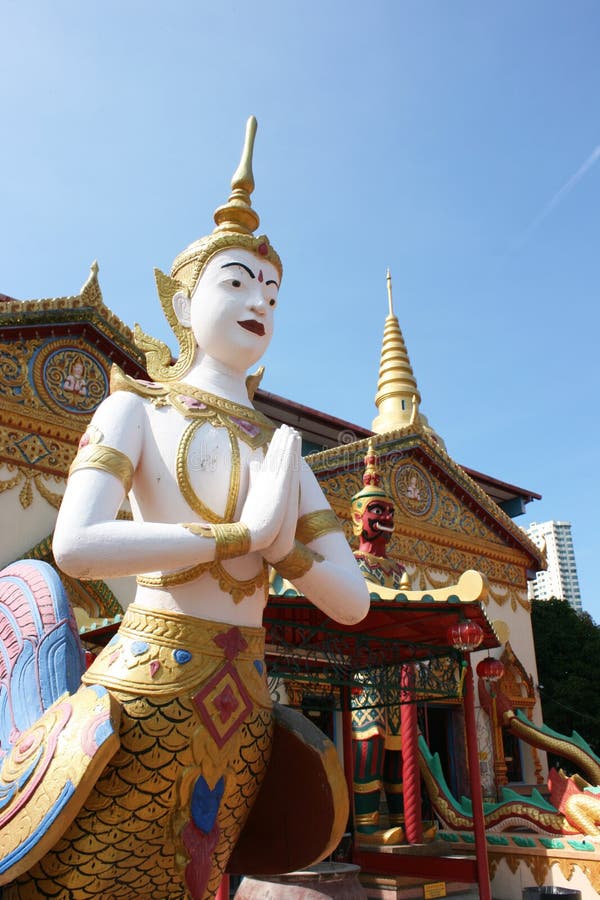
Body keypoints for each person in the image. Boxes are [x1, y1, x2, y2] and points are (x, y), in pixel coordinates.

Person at [14, 117, 369, 900]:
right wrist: (237, 534)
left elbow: (352, 602)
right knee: (91, 877)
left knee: (199, 880)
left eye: (272, 292)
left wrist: (284, 548)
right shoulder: (135, 411)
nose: (259, 302)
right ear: (184, 299)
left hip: (242, 703)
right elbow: (74, 546)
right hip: (145, 689)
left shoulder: (282, 451)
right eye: (237, 281)